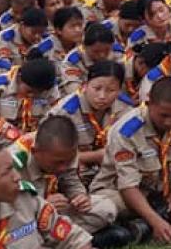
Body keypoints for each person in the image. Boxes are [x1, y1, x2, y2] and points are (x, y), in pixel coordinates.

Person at [90, 77, 171, 244]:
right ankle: (167, 216)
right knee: (107, 206)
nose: (169, 121)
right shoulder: (127, 130)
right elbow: (127, 186)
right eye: (163, 115)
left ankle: (144, 224)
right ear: (149, 101)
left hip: (165, 188)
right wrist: (156, 221)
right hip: (124, 191)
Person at [9, 117, 119, 238]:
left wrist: (79, 197)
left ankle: (65, 239)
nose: (63, 168)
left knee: (105, 208)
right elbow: (4, 209)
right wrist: (40, 206)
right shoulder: (12, 163)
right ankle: (71, 240)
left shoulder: (65, 151)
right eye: (58, 163)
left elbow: (71, 180)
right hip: (21, 221)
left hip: (54, 213)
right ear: (35, 151)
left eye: (69, 161)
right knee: (19, 236)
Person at [49, 61, 134, 191]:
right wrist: (95, 156)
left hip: (110, 174)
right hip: (72, 177)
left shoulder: (126, 108)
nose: (102, 96)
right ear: (86, 85)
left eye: (111, 90)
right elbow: (50, 155)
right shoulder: (65, 112)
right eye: (97, 88)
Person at [0, 59, 59, 134]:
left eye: (38, 93)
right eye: (29, 91)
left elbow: (52, 117)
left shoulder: (49, 89)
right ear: (19, 79)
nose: (32, 96)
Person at [57, 22, 124, 95]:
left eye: (107, 50)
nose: (102, 55)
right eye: (96, 51)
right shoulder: (72, 62)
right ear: (84, 46)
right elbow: (75, 92)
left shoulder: (118, 53)